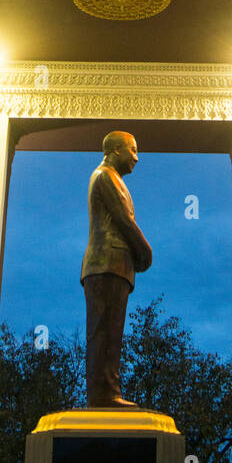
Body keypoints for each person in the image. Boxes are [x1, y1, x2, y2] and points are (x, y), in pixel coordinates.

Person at [81, 131, 152, 407]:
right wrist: (145, 251)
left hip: (116, 267)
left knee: (111, 334)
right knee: (104, 333)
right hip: (105, 265)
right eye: (132, 150)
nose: (136, 157)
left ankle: (109, 392)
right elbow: (124, 220)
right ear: (114, 150)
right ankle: (104, 395)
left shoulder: (114, 179)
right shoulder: (104, 177)